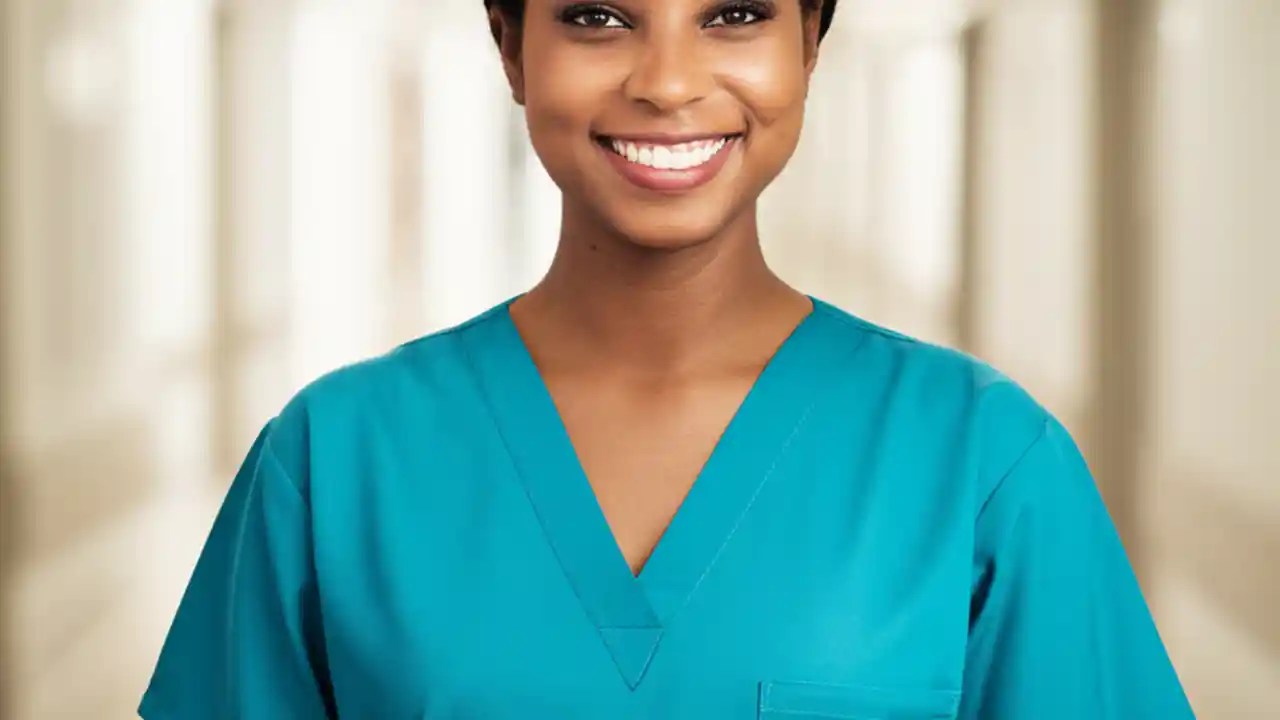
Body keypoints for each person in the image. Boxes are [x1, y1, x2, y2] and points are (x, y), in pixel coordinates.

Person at [139, 0, 1196, 717]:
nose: (668, 81)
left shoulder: (981, 460)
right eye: (596, 17)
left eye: (733, 14)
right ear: (510, 49)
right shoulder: (335, 458)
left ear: (810, 45)